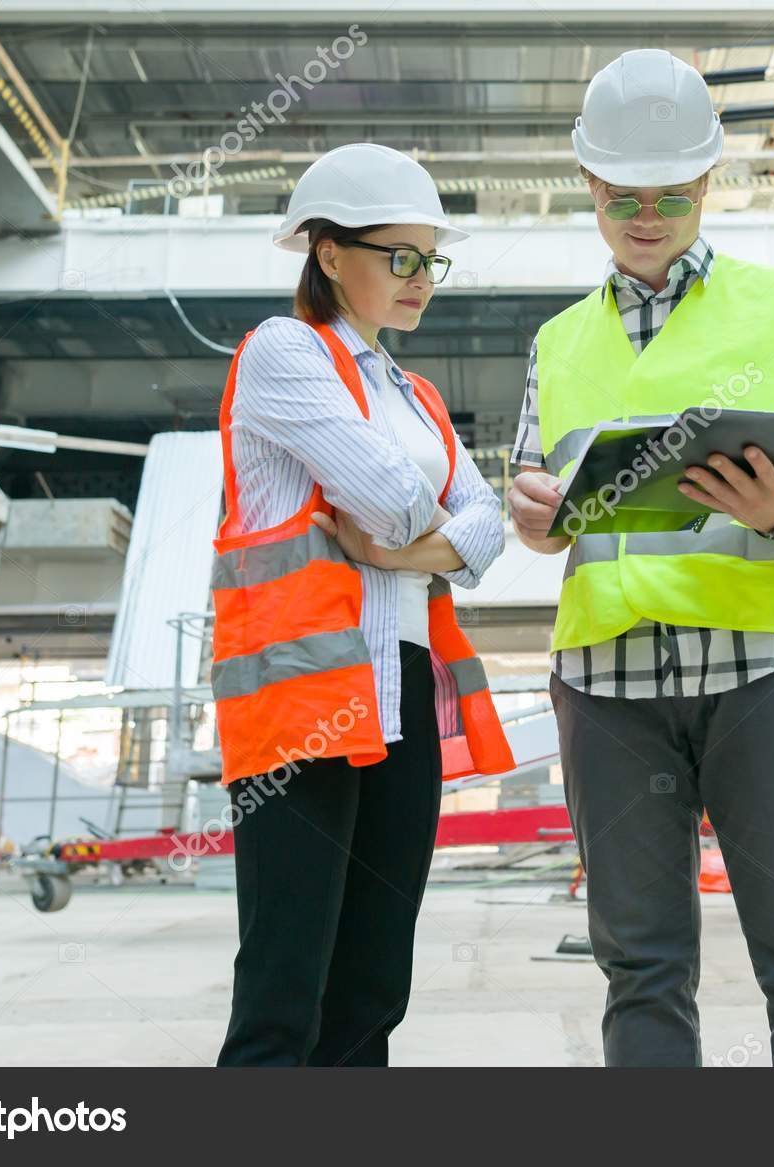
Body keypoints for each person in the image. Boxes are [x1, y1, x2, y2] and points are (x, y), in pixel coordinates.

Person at [506, 50, 774, 1067]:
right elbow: (540, 503)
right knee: (641, 971)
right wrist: (533, 516)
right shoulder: (556, 342)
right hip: (607, 685)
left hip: (763, 674)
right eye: (624, 195)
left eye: (672, 194)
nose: (647, 214)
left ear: (708, 182)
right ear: (590, 184)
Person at [213, 143, 511, 1067]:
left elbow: (490, 526)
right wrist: (429, 538)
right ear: (330, 253)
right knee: (285, 988)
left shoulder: (412, 392)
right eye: (402, 256)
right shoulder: (282, 352)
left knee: (376, 986)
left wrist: (403, 548)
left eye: (432, 259)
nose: (422, 278)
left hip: (403, 695)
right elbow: (392, 492)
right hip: (305, 697)